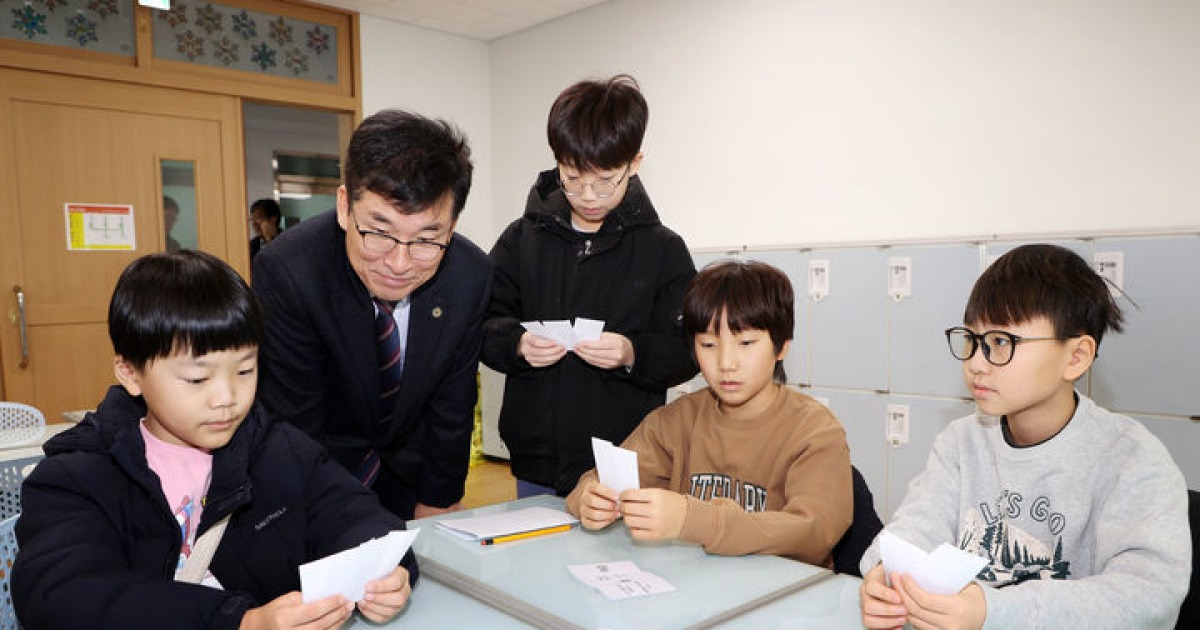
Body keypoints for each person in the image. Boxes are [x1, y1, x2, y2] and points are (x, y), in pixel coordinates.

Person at [13, 250, 417, 629]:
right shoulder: (76, 475)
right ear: (130, 373)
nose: (226, 398)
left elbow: (357, 516)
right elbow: (61, 595)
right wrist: (236, 621)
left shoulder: (277, 450)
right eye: (196, 379)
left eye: (244, 371)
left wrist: (387, 573)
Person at [858, 244, 1190, 630]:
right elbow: (916, 526)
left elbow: (1148, 597)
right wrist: (886, 576)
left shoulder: (1132, 459)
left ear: (1076, 357)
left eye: (1001, 342)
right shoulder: (961, 442)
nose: (977, 363)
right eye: (972, 339)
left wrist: (993, 612)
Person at [252, 110, 491, 521]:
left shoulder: (470, 275)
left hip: (411, 473)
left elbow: (452, 404)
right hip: (317, 471)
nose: (399, 263)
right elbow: (296, 420)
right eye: (379, 232)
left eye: (426, 239)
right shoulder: (290, 271)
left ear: (451, 228)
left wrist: (439, 499)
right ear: (345, 206)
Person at [482, 74, 698, 497]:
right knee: (538, 558)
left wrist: (633, 353)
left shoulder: (663, 250)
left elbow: (689, 347)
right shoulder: (521, 239)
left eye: (605, 179)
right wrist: (517, 345)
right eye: (573, 176)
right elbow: (481, 323)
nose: (588, 194)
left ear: (634, 164)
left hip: (624, 461)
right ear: (558, 161)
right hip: (536, 461)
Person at [565, 260, 853, 565]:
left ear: (781, 347)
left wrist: (694, 520)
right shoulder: (674, 421)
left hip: (781, 600)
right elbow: (595, 482)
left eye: (745, 343)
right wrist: (589, 498)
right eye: (709, 344)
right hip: (694, 590)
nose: (726, 362)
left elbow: (815, 532)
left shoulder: (814, 431)